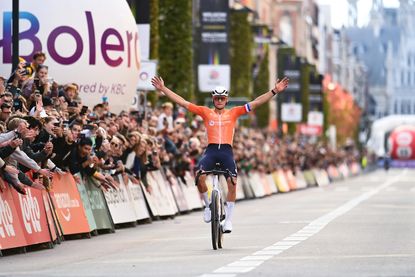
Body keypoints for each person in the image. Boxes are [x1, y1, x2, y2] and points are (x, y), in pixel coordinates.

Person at [151, 76, 289, 233]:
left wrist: (274, 91)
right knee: (200, 177)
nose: (219, 100)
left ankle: (228, 220)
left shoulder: (234, 112)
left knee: (232, 183)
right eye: (217, 98)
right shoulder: (205, 112)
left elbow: (256, 102)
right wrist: (163, 89)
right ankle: (208, 206)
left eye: (222, 98)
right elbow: (182, 102)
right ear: (213, 98)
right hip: (210, 151)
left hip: (226, 152)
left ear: (226, 99)